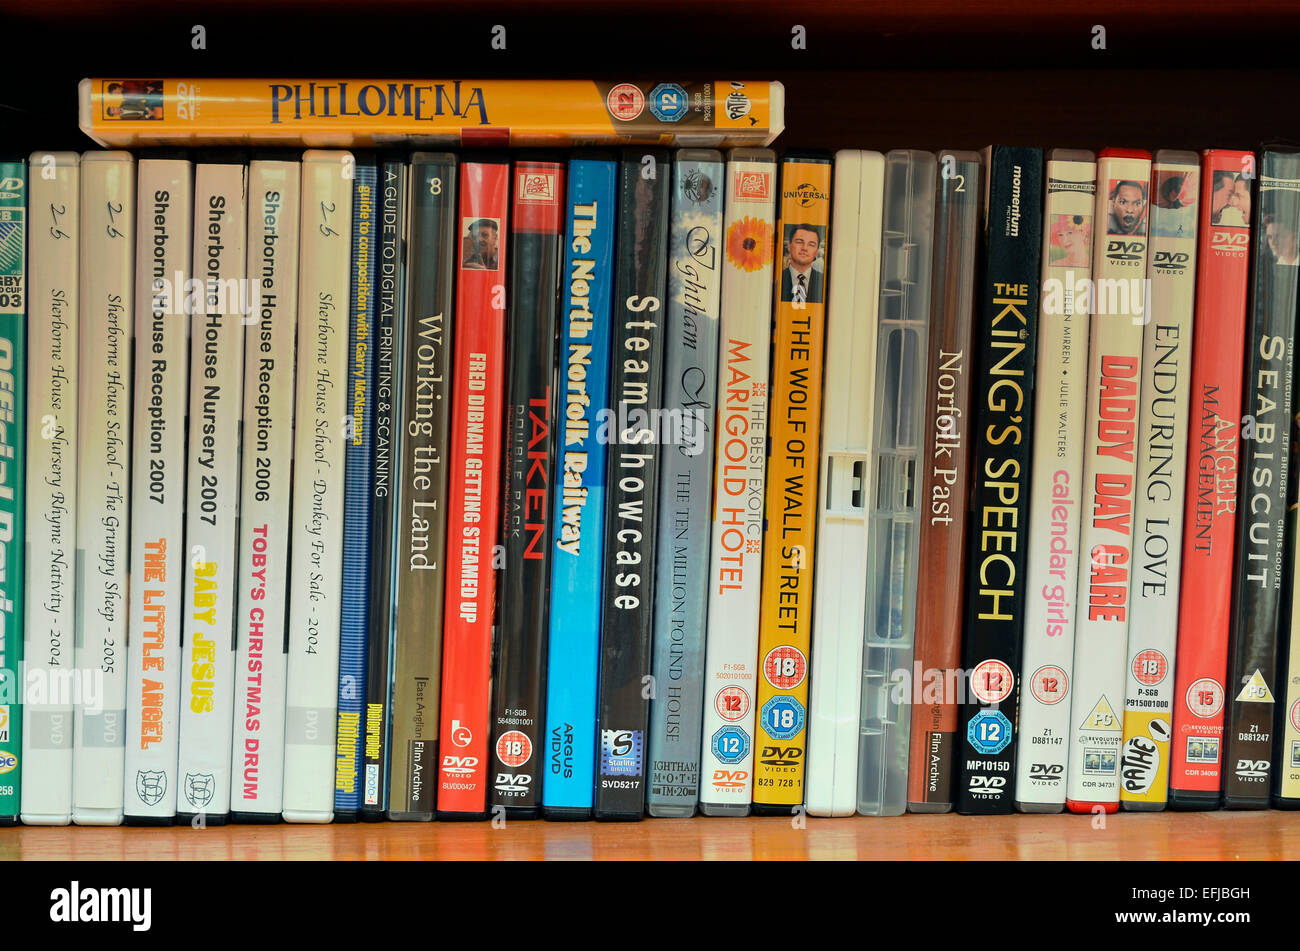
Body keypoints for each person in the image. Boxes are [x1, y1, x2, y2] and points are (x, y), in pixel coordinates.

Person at [780, 224, 823, 303]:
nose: (804, 248)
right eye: (799, 242)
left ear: (816, 251)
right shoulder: (778, 279)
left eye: (811, 244)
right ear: (789, 246)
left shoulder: (823, 281)